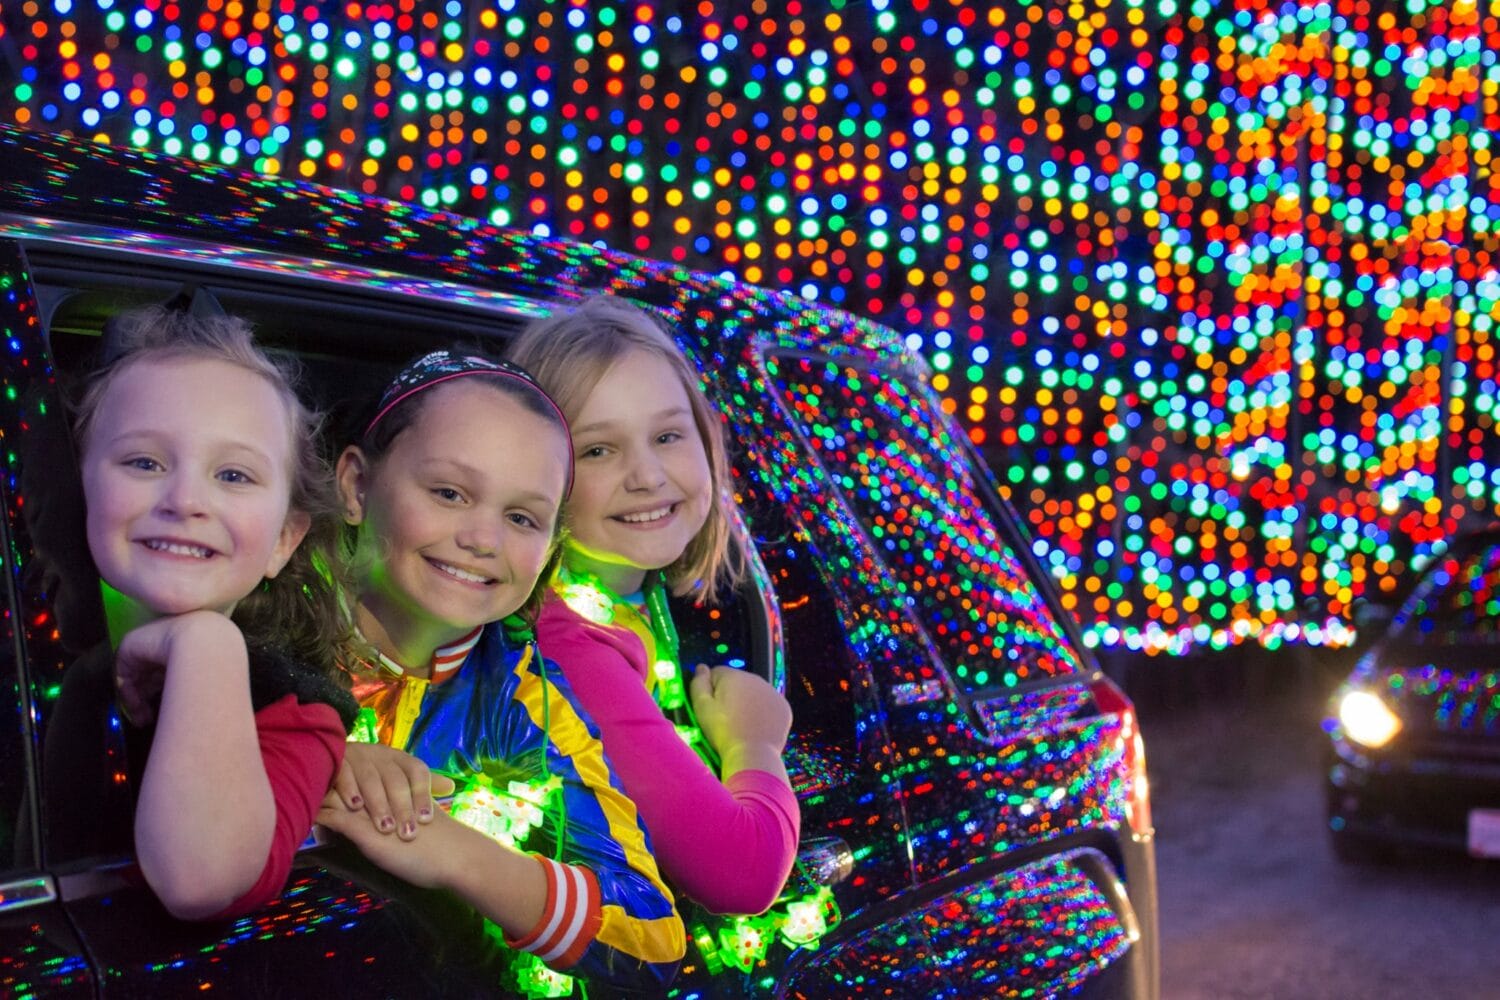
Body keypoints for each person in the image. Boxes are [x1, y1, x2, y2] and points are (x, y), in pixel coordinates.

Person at [312, 348, 684, 993]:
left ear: (549, 549)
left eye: (521, 518)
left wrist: (459, 854)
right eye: (450, 493)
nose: (483, 539)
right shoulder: (251, 612)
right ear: (356, 485)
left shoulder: (526, 701)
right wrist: (313, 756)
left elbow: (651, 939)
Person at [507, 296, 800, 917]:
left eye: (667, 435)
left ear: (706, 440)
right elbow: (740, 873)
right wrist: (754, 743)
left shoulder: (628, 597)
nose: (645, 475)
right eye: (597, 450)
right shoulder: (562, 643)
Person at [66, 305, 358, 919]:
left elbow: (199, 880)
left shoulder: (296, 712)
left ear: (285, 538)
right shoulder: (27, 644)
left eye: (234, 474)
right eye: (144, 463)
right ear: (78, 486)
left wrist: (206, 645)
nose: (186, 499)